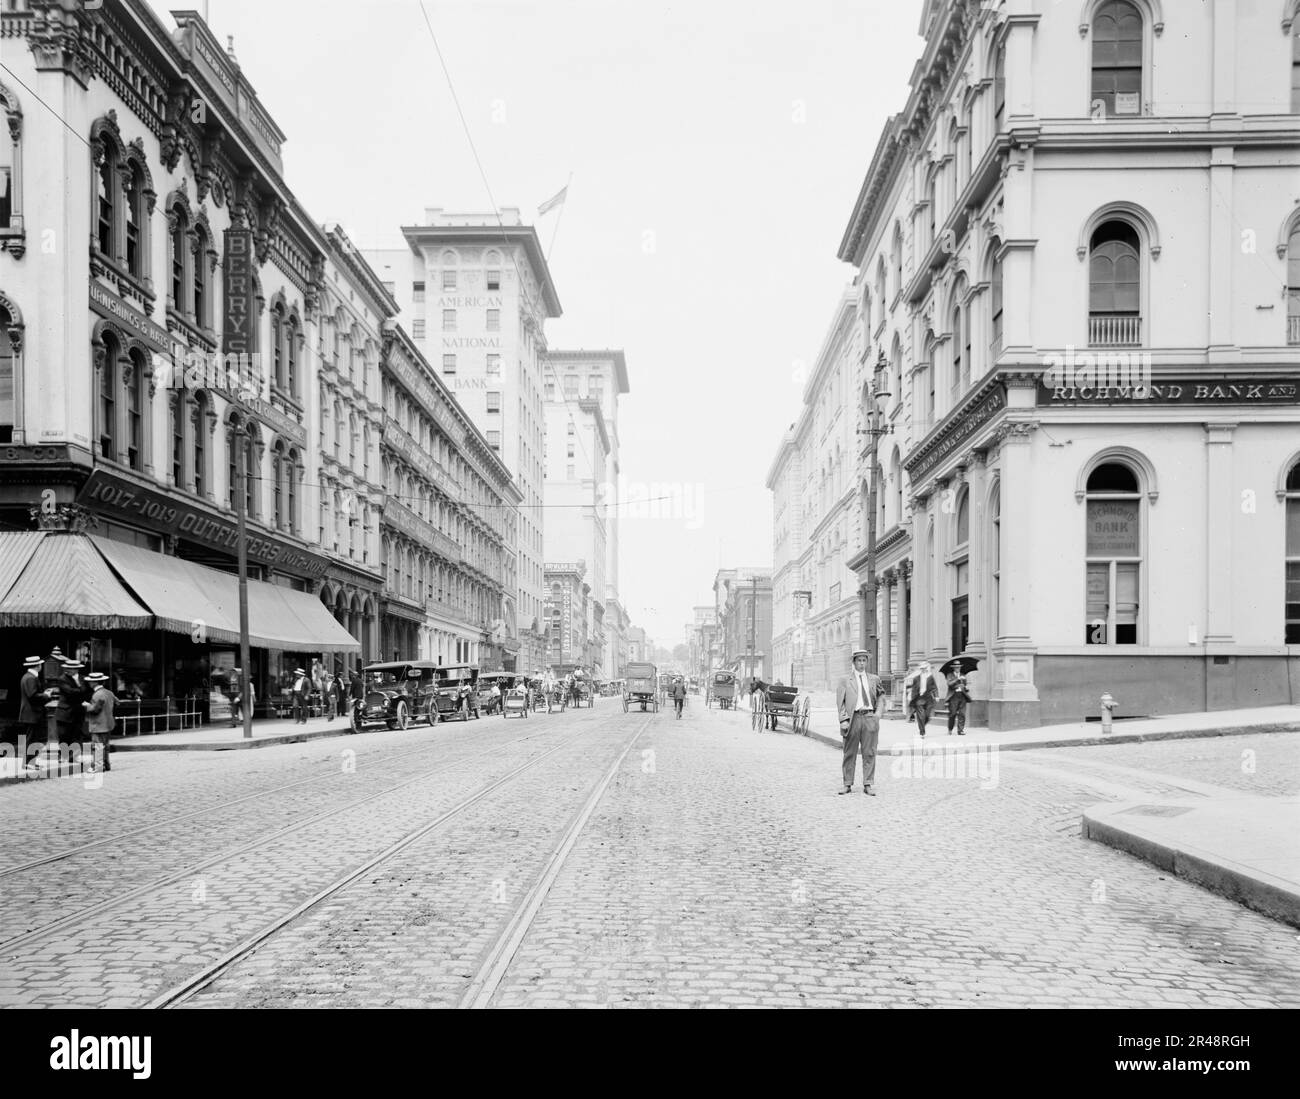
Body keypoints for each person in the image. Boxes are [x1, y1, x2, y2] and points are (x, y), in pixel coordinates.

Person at [835, 649, 885, 795]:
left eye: (864, 660)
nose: (862, 663)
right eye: (859, 661)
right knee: (849, 752)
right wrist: (843, 719)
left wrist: (878, 714)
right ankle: (847, 784)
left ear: (867, 662)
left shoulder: (874, 679)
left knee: (869, 752)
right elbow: (840, 702)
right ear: (854, 662)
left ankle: (868, 784)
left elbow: (881, 697)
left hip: (870, 718)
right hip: (853, 719)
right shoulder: (845, 680)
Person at [82, 672, 118, 773]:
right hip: (108, 723)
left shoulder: (97, 694)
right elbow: (117, 702)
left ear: (94, 682)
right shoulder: (109, 692)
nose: (89, 683)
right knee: (105, 745)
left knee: (97, 746)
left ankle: (98, 766)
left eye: (90, 682)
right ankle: (106, 764)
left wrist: (86, 705)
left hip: (98, 724)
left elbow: (95, 710)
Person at [53, 659, 89, 746]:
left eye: (70, 668)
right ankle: (65, 757)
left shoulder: (83, 678)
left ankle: (74, 757)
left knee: (77, 736)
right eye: (67, 668)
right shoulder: (62, 679)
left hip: (78, 713)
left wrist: (81, 691)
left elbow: (87, 692)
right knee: (64, 736)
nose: (67, 670)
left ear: (76, 669)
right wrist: (81, 689)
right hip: (65, 713)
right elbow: (70, 692)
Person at [18, 656, 48, 742]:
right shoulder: (30, 678)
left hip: (31, 713)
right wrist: (46, 695)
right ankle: (28, 755)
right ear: (38, 666)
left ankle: (29, 754)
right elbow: (32, 695)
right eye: (40, 665)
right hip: (31, 713)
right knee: (31, 737)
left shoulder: (29, 676)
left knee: (32, 737)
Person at [909, 661, 939, 738]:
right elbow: (913, 689)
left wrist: (936, 696)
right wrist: (912, 698)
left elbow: (934, 687)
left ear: (927, 669)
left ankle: (922, 726)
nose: (923, 670)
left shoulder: (930, 677)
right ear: (920, 669)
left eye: (925, 668)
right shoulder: (916, 678)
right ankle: (922, 732)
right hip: (919, 698)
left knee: (927, 716)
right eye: (922, 668)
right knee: (921, 715)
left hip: (928, 698)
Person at [946, 669, 970, 736]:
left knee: (962, 714)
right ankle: (950, 729)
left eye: (959, 667)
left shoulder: (963, 675)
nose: (957, 668)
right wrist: (958, 679)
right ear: (953, 668)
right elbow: (949, 684)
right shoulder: (949, 675)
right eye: (956, 667)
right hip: (954, 697)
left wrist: (965, 687)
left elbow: (965, 684)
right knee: (952, 714)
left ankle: (960, 730)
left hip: (962, 696)